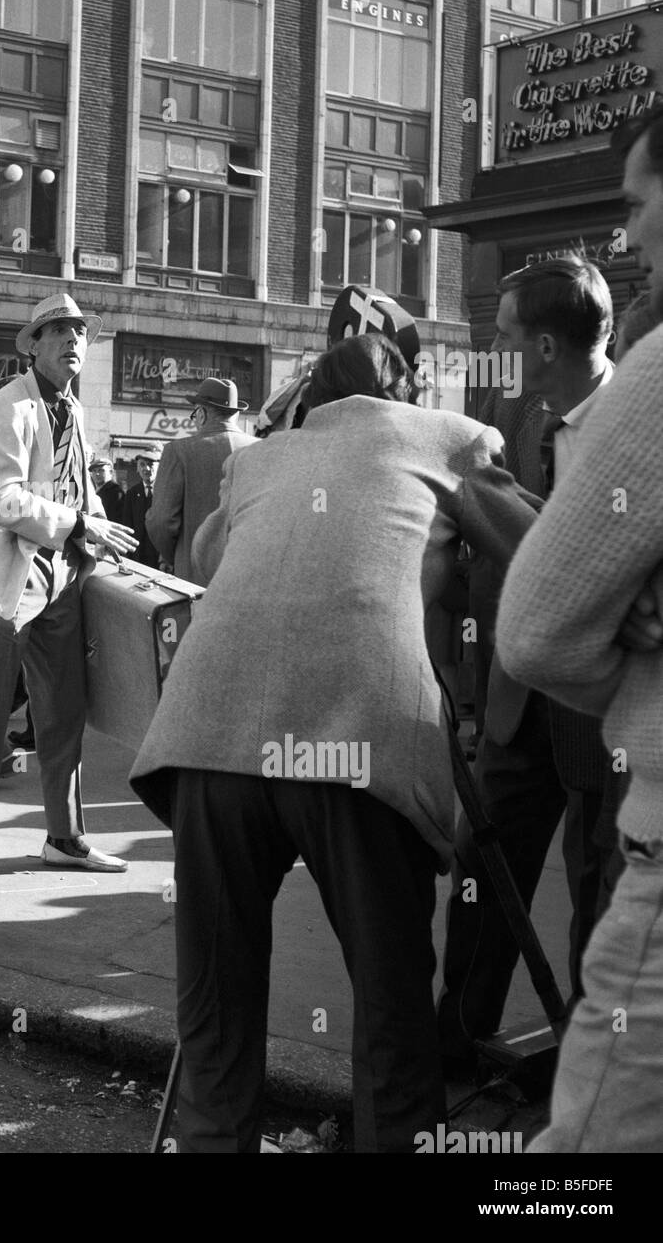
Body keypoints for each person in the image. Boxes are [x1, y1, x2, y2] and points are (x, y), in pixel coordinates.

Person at [131, 333, 540, 1153]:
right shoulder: (450, 437)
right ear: (411, 388)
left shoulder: (258, 458)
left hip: (210, 733)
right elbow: (544, 549)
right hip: (356, 741)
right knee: (389, 1008)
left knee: (215, 1001)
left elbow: (211, 555)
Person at [493, 107, 663, 1152]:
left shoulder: (642, 388)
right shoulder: (516, 425)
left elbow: (540, 619)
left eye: (641, 205)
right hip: (530, 720)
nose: (630, 237)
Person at [437, 255, 623, 1076]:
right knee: (484, 867)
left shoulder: (633, 421)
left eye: (506, 337)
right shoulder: (507, 415)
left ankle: (583, 1059)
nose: (495, 351)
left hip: (601, 703)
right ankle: (457, 1034)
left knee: (599, 887)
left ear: (544, 345)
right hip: (516, 696)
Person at [0, 293, 138, 896]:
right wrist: (82, 525)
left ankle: (65, 837)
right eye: (60, 332)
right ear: (35, 344)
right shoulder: (7, 406)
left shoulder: (70, 410)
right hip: (11, 581)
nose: (74, 341)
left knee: (63, 712)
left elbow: (78, 489)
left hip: (65, 576)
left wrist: (97, 528)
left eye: (80, 332)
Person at [147, 377, 255, 585]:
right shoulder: (261, 450)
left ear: (202, 414)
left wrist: (175, 556)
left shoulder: (178, 451)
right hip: (247, 580)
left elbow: (160, 521)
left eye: (194, 414)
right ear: (236, 414)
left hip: (193, 578)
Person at [125, 445, 162, 568]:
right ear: (137, 469)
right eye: (142, 464)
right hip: (138, 557)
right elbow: (127, 525)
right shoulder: (132, 493)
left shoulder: (166, 492)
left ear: (159, 467)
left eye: (151, 464)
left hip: (160, 558)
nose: (146, 468)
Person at [91, 459, 126, 525]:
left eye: (101, 470)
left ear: (111, 472)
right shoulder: (96, 490)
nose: (97, 474)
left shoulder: (115, 492)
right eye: (94, 471)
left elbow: (115, 520)